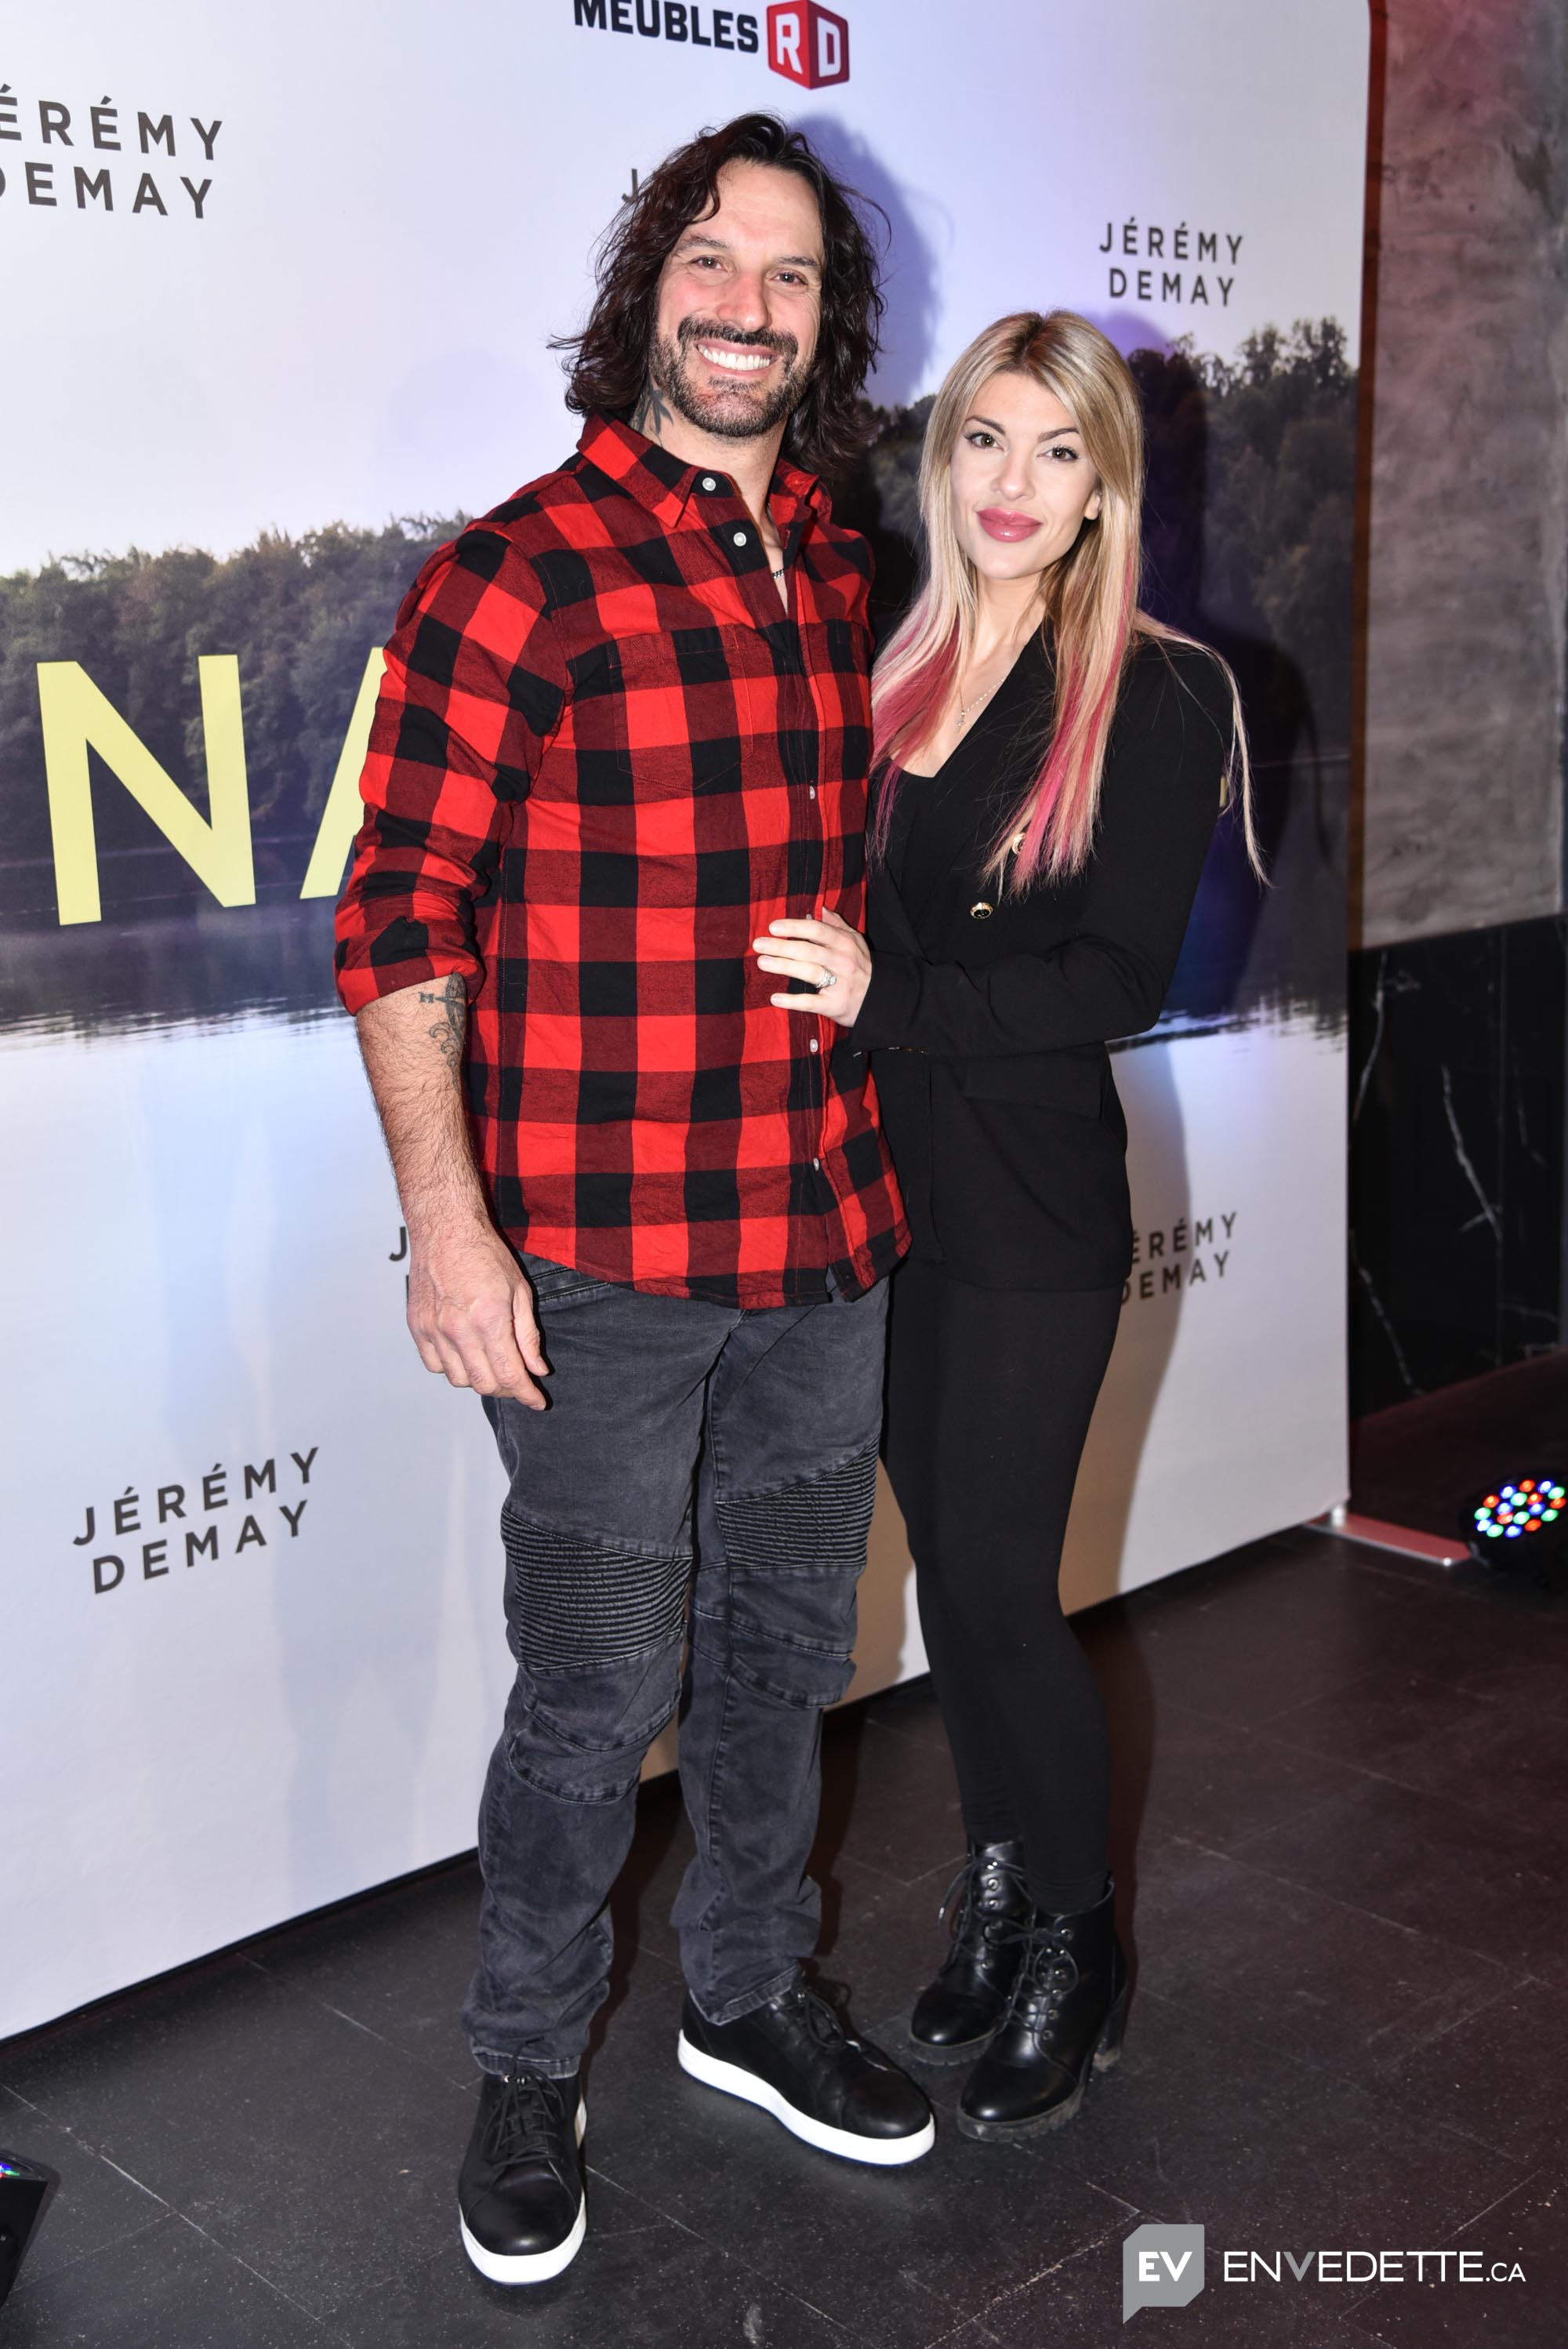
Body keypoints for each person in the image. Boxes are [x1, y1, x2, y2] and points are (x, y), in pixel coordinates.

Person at [334, 114, 935, 2289]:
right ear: (647, 286)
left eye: (787, 273)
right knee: (596, 1683)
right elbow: (400, 911)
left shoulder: (849, 566)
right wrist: (448, 1219)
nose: (744, 302)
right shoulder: (521, 565)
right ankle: (524, 2058)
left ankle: (750, 1991)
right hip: (593, 1256)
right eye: (710, 256)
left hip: (820, 1229)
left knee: (789, 1645)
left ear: (823, 324)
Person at [750, 310, 1256, 2142]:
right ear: (942, 454)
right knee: (950, 1582)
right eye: (986, 440)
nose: (1014, 484)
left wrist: (890, 999)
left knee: (997, 1586)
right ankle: (999, 1876)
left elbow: (1113, 972)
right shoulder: (889, 669)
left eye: (1060, 451)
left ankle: (1079, 1939)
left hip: (1033, 1200)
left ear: (1106, 483)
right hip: (878, 1195)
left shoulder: (1162, 685)